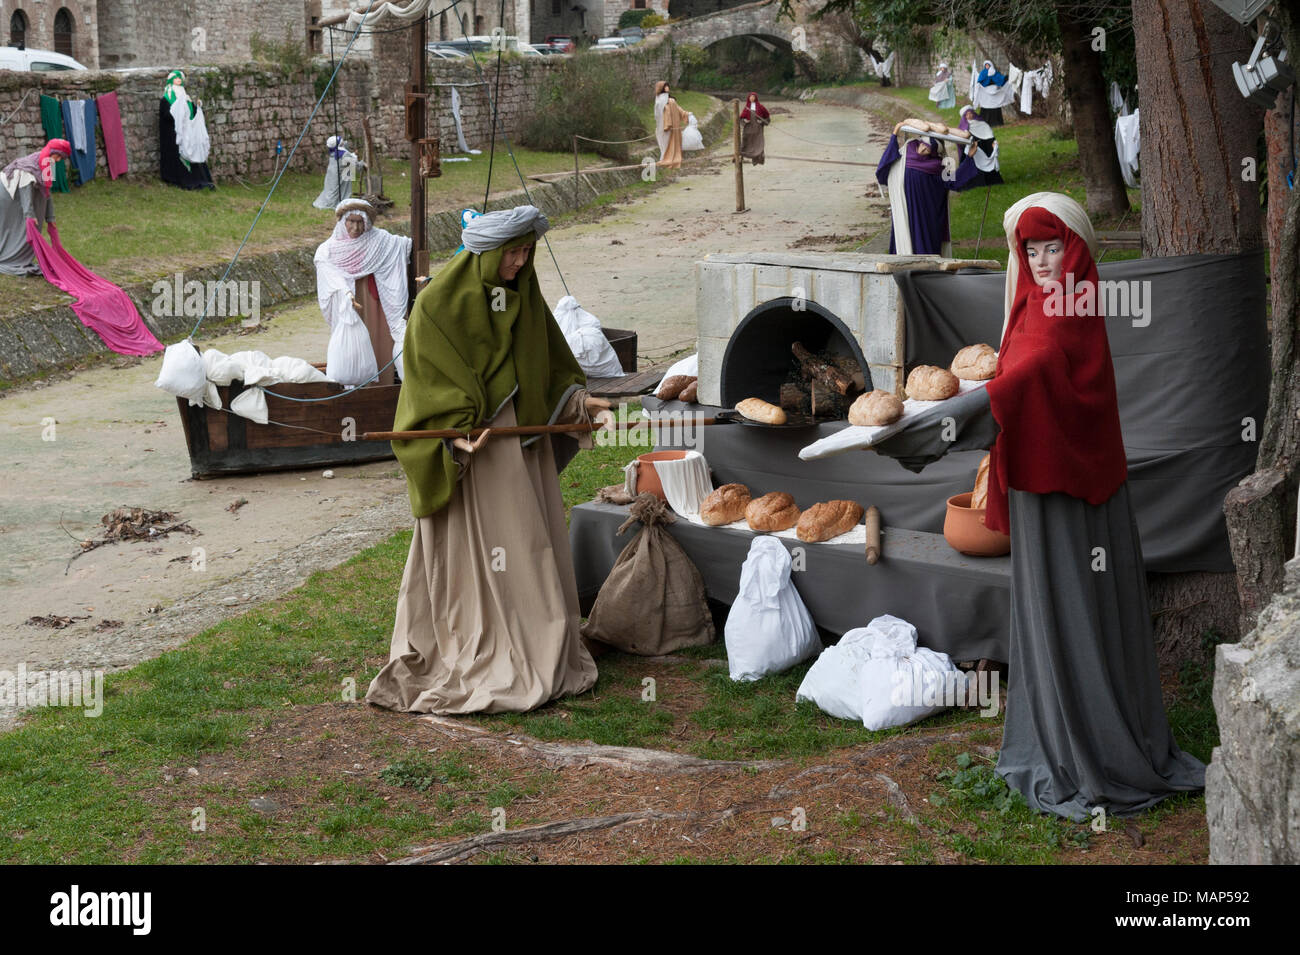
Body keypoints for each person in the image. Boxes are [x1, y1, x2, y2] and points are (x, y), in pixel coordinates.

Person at [876, 192, 1206, 822]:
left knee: (1070, 606)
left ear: (1077, 247)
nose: (1046, 258)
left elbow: (1030, 376)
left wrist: (941, 425)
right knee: (1062, 606)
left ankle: (1087, 744)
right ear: (1019, 253)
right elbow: (1016, 372)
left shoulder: (1067, 310)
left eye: (1056, 246)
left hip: (1067, 492)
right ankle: (1078, 725)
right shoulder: (1034, 299)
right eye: (1033, 248)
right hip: (1049, 479)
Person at [366, 205, 610, 715]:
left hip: (523, 450)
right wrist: (451, 435)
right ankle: (481, 646)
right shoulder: (436, 307)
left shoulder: (525, 297)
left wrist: (580, 404)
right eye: (512, 252)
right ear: (485, 253)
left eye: (527, 252)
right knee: (486, 553)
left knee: (527, 543)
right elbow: (424, 390)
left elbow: (554, 370)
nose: (520, 263)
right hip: (474, 460)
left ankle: (536, 644)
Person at [314, 198, 411, 386]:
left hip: (375, 300)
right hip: (348, 303)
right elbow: (325, 267)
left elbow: (401, 247)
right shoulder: (329, 249)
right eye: (351, 222)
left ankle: (383, 384)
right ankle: (355, 383)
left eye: (360, 222)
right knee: (352, 345)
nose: (356, 227)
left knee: (379, 339)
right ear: (343, 222)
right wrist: (345, 292)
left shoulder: (379, 240)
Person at [875, 119, 981, 255]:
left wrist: (969, 158)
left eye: (929, 149)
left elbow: (953, 183)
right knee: (905, 236)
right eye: (923, 145)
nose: (924, 149)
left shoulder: (943, 163)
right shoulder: (908, 150)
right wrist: (895, 133)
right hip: (906, 207)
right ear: (919, 141)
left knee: (925, 244)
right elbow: (887, 162)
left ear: (935, 152)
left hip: (927, 212)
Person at [0, 140, 68, 275]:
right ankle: (10, 258)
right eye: (58, 155)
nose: (59, 159)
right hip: (7, 193)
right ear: (52, 152)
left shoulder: (49, 164)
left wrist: (50, 217)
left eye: (62, 158)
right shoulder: (31, 165)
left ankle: (20, 257)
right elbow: (25, 190)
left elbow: (47, 193)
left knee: (27, 224)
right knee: (15, 227)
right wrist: (29, 215)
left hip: (20, 194)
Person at [159, 70, 214, 189]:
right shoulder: (166, 99)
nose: (179, 80)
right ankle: (176, 178)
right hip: (173, 134)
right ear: (171, 80)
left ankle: (199, 179)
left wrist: (197, 108)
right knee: (178, 157)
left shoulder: (186, 98)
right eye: (176, 78)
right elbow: (166, 115)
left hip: (188, 133)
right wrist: (178, 114)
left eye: (180, 78)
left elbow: (191, 112)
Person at [955, 104, 1004, 187]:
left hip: (986, 147)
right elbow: (961, 141)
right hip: (974, 149)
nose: (969, 115)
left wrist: (993, 143)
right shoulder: (964, 127)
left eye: (971, 113)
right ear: (964, 116)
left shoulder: (982, 124)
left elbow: (989, 135)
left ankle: (991, 181)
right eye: (967, 114)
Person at [313, 135, 363, 210]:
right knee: (349, 169)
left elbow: (346, 158)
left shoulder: (334, 154)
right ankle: (343, 197)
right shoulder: (344, 154)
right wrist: (363, 161)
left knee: (348, 169)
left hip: (333, 179)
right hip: (339, 179)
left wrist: (353, 156)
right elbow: (357, 167)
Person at [655, 81, 689, 169]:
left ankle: (669, 158)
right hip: (662, 125)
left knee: (669, 142)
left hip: (671, 127)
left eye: (667, 86)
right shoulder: (658, 99)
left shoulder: (671, 100)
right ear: (661, 88)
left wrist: (686, 114)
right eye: (665, 86)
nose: (667, 87)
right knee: (663, 142)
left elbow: (678, 109)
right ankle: (664, 158)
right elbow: (657, 113)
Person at [740, 92, 769, 166]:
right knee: (747, 140)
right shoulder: (746, 107)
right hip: (748, 128)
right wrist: (745, 121)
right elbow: (741, 118)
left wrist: (761, 121)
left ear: (756, 98)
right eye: (750, 97)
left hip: (757, 129)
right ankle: (742, 155)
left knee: (758, 142)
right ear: (748, 98)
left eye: (753, 97)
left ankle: (758, 158)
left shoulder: (760, 107)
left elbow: (767, 116)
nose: (752, 98)